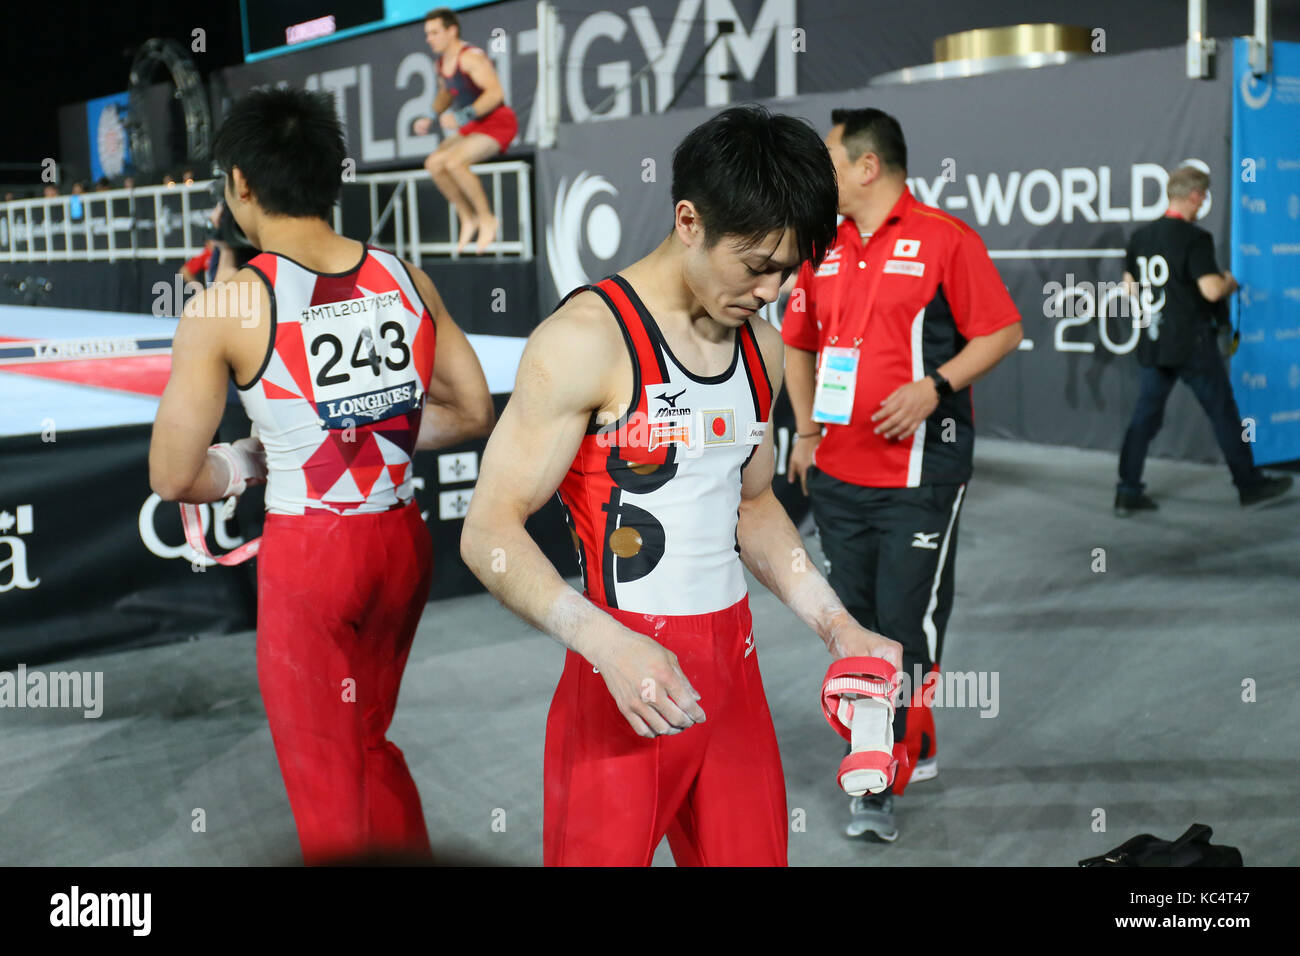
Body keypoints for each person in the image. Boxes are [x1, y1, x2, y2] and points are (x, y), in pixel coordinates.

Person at [460, 105, 903, 867]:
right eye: (756, 264)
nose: (772, 289)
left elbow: (753, 505)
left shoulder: (760, 350)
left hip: (733, 671)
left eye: (789, 268)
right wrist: (604, 643)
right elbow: (488, 531)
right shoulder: (582, 342)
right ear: (689, 220)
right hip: (621, 673)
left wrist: (837, 625)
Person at [148, 87, 496, 865]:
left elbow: (172, 475)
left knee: (325, 773)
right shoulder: (404, 275)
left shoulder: (227, 305)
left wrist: (252, 462)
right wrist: (370, 437)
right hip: (401, 547)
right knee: (369, 740)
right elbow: (473, 411)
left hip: (314, 558)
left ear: (239, 184)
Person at [783, 108, 1023, 843]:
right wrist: (807, 428)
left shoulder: (947, 240)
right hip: (837, 474)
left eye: (827, 160)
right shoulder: (817, 248)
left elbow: (1003, 330)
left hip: (922, 474)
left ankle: (875, 773)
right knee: (854, 621)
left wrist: (935, 388)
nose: (816, 175)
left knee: (905, 620)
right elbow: (799, 343)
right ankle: (904, 737)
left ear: (867, 166)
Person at [1115, 164, 1292, 514]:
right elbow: (1211, 290)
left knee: (1143, 419)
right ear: (1195, 196)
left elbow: (1128, 288)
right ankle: (1250, 486)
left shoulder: (1140, 237)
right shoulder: (1195, 239)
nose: (1202, 204)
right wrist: (1230, 281)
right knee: (1224, 415)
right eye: (1202, 197)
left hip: (1155, 341)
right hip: (1192, 344)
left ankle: (1127, 492)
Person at [412, 7, 518, 255]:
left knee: (454, 162)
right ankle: (468, 218)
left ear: (452, 31)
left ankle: (487, 218)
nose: (429, 39)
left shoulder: (470, 58)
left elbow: (495, 93)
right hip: (475, 125)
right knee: (433, 164)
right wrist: (430, 116)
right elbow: (446, 94)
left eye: (435, 33)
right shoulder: (440, 63)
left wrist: (462, 116)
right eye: (427, 34)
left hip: (499, 122)